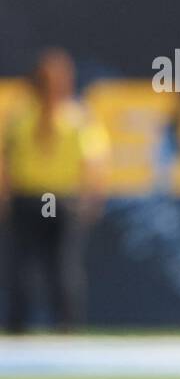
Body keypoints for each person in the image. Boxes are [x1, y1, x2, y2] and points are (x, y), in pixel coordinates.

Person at [1, 48, 108, 333]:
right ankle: (66, 328)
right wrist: (92, 200)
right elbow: (94, 163)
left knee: (24, 265)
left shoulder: (21, 116)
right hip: (60, 201)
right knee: (63, 265)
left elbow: (6, 163)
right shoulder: (76, 117)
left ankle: (18, 328)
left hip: (28, 200)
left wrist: (5, 197)